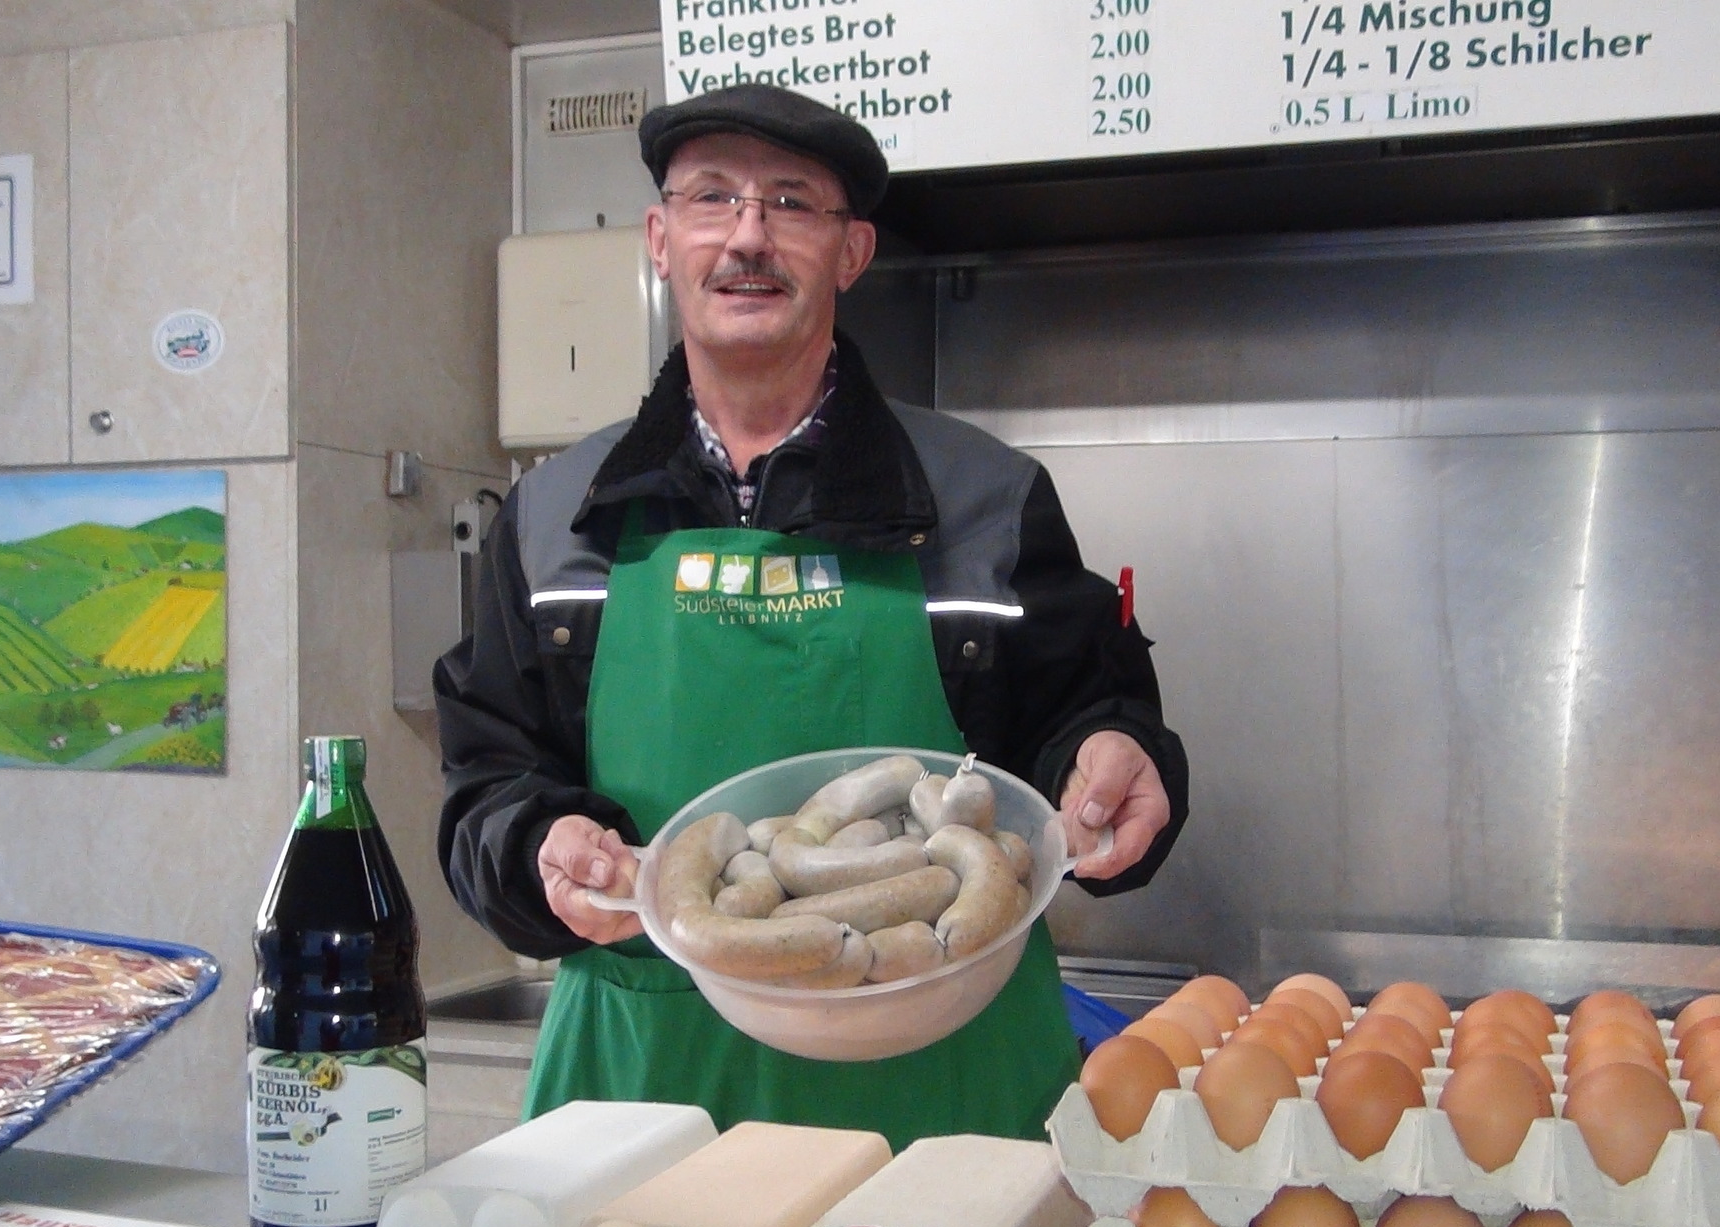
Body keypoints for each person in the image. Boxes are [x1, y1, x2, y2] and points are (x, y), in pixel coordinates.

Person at [436, 83, 1188, 1149]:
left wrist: (1123, 751)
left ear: (851, 252)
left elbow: (1090, 721)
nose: (747, 235)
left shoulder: (988, 495)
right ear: (660, 239)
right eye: (712, 198)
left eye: (792, 203)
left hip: (941, 1090)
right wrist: (535, 847)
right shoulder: (552, 517)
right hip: (644, 1096)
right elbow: (484, 784)